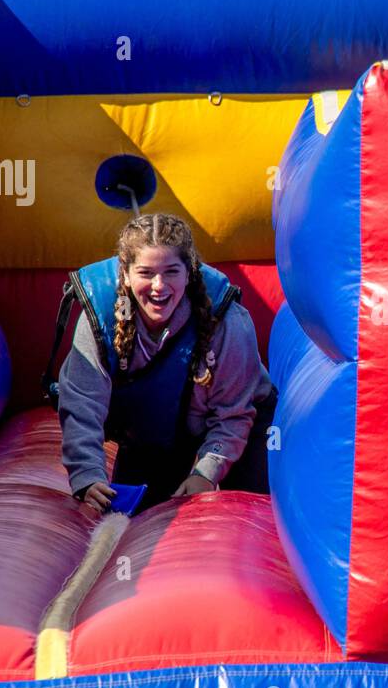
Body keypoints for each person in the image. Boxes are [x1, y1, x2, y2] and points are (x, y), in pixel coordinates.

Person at [56, 213, 276, 513]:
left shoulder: (226, 321)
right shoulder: (101, 319)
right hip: (155, 431)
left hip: (238, 425)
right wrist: (87, 474)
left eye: (171, 271)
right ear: (126, 274)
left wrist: (205, 473)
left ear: (189, 273)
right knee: (136, 515)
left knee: (250, 509)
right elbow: (82, 404)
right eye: (146, 273)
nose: (159, 286)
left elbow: (234, 414)